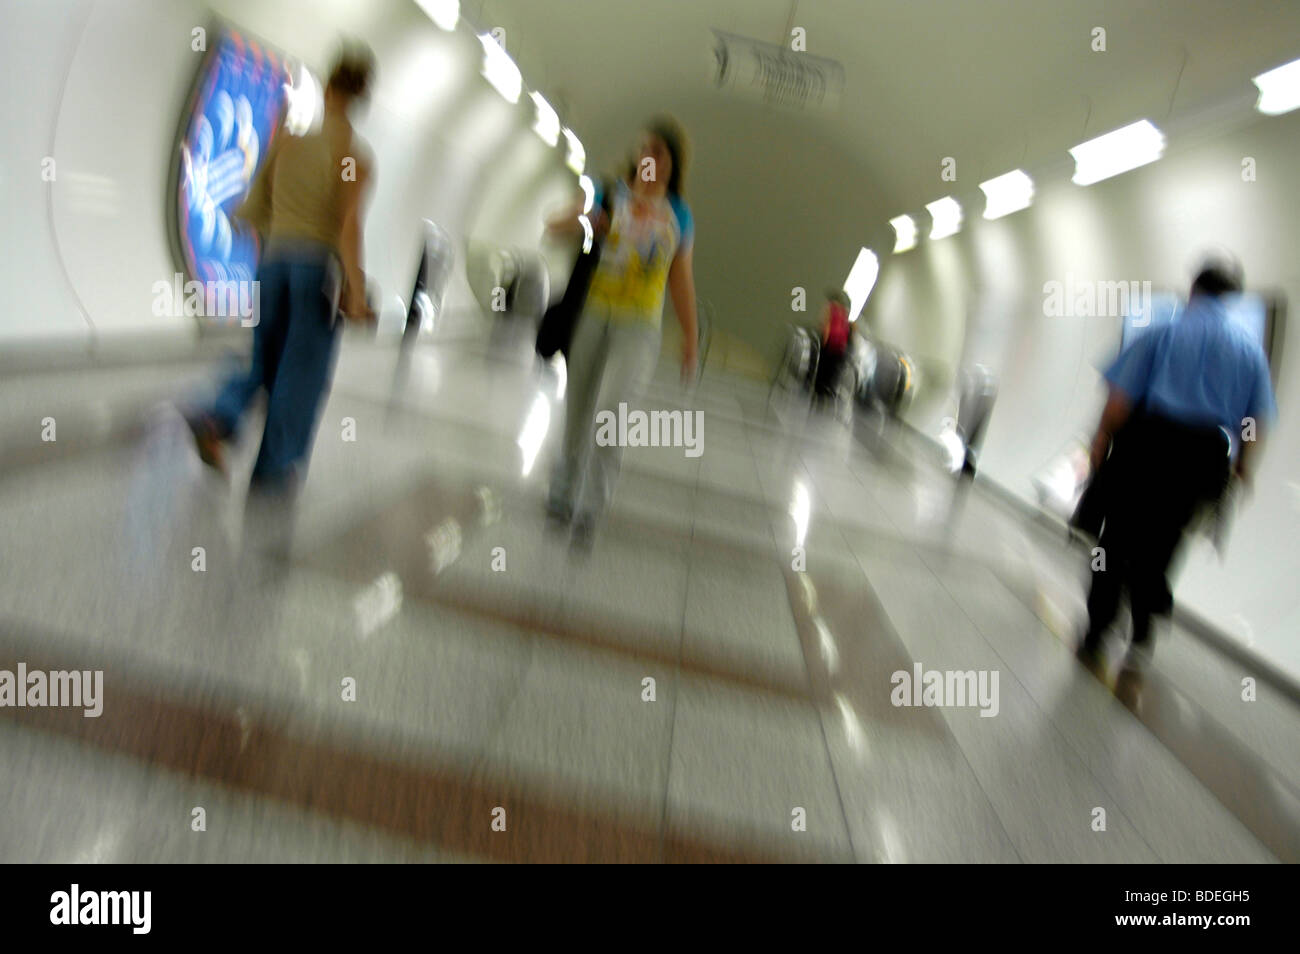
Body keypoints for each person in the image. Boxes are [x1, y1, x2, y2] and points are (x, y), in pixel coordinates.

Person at [185, 44, 377, 491]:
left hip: (272, 264)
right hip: (315, 271)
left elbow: (251, 208)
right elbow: (348, 227)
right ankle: (274, 470)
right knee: (299, 374)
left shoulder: (288, 140)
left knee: (262, 358)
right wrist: (356, 291)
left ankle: (220, 416)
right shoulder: (350, 155)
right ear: (362, 96)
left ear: (328, 85)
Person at [1075, 256, 1276, 675]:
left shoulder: (1161, 332)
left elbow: (1120, 399)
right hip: (1201, 458)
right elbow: (1254, 422)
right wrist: (1243, 468)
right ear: (1233, 297)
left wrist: (1099, 441)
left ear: (1194, 289)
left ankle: (1096, 633)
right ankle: (1143, 635)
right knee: (1164, 547)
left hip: (1145, 449)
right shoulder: (1249, 352)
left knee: (1115, 544)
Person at [544, 117, 699, 546]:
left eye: (659, 152)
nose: (648, 157)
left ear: (671, 164)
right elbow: (556, 225)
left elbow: (681, 280)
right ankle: (562, 488)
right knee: (578, 408)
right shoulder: (610, 192)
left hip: (640, 327)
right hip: (593, 314)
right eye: (644, 149)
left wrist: (691, 337)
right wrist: (589, 219)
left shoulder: (679, 215)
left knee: (612, 412)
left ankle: (592, 505)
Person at [813, 289, 852, 402]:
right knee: (832, 371)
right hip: (840, 347)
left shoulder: (830, 308)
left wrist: (823, 342)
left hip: (829, 343)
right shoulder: (844, 311)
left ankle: (818, 392)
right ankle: (827, 392)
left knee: (822, 369)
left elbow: (826, 324)